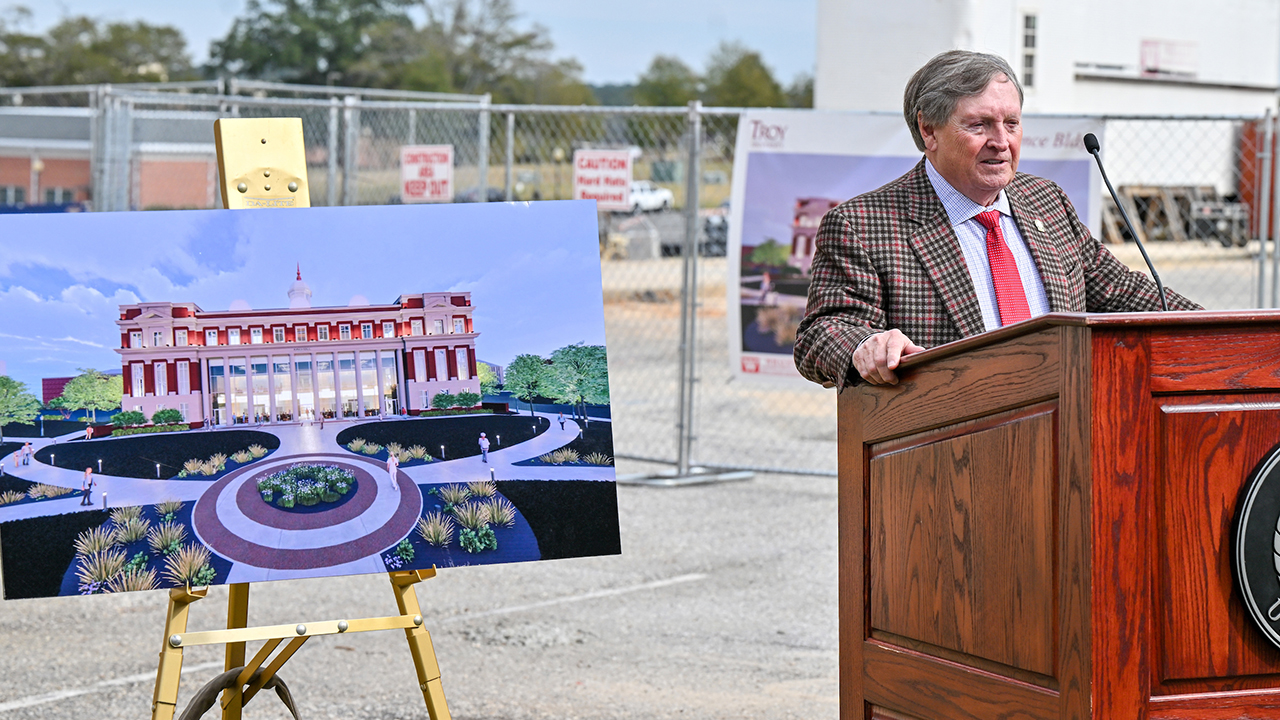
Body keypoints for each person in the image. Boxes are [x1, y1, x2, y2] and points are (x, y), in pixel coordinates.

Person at [794, 50, 1200, 390]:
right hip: (947, 446)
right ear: (928, 130)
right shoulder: (862, 225)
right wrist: (865, 346)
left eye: (1012, 123)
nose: (1001, 142)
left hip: (1064, 430)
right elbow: (822, 332)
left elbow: (1122, 292)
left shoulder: (1046, 201)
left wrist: (1216, 329)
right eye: (979, 125)